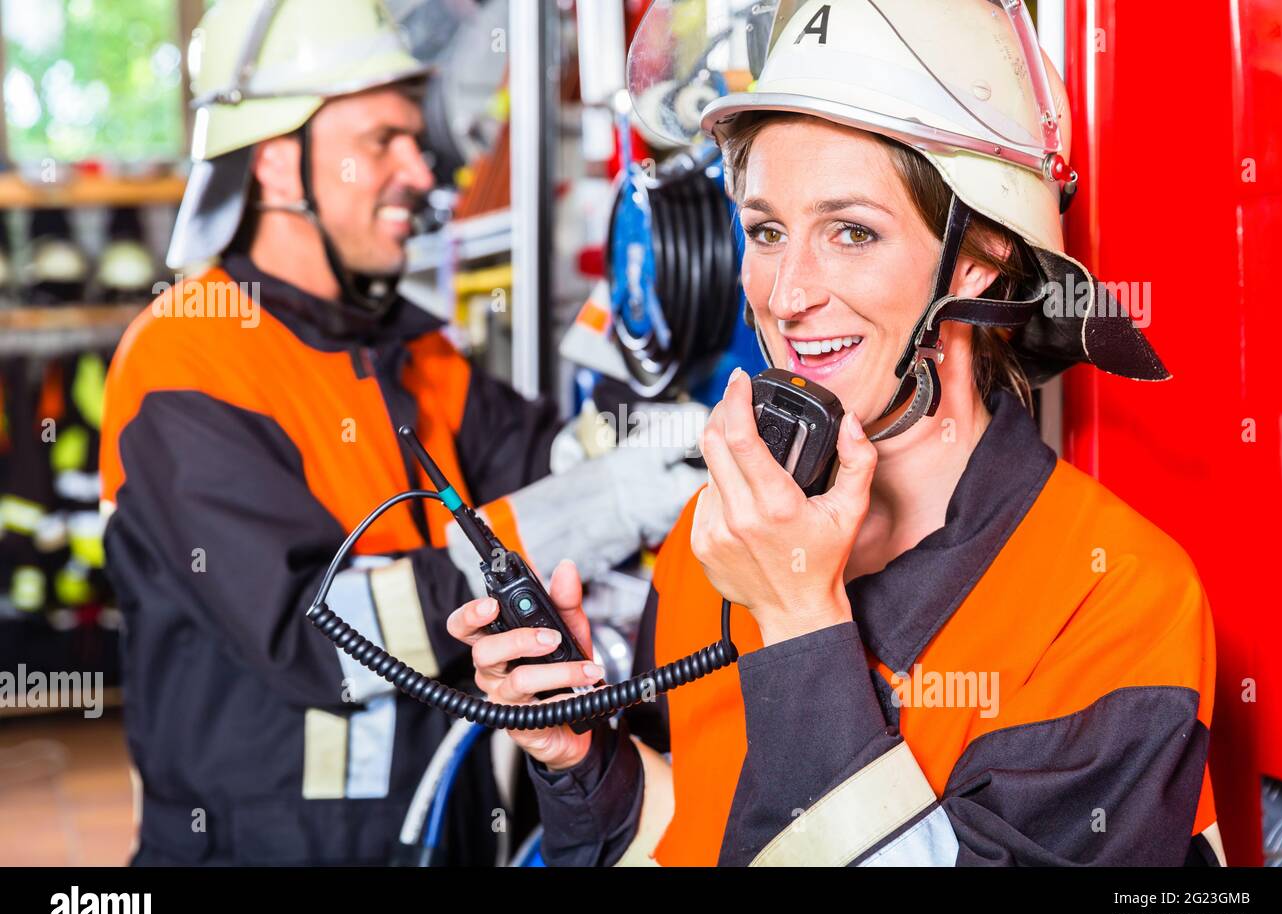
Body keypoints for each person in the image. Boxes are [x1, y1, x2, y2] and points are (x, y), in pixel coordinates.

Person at [445, 0, 1223, 867]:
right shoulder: (721, 537)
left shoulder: (1115, 598)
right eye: (769, 231)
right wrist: (590, 763)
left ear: (979, 259)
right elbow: (701, 828)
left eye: (852, 232)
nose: (786, 294)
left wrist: (797, 621)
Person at [99, 0, 702, 866]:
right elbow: (316, 633)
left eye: (416, 140)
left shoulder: (410, 349)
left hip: (436, 834)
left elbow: (543, 456)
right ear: (276, 162)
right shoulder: (185, 359)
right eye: (381, 140)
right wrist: (600, 504)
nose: (422, 170)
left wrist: (658, 430)